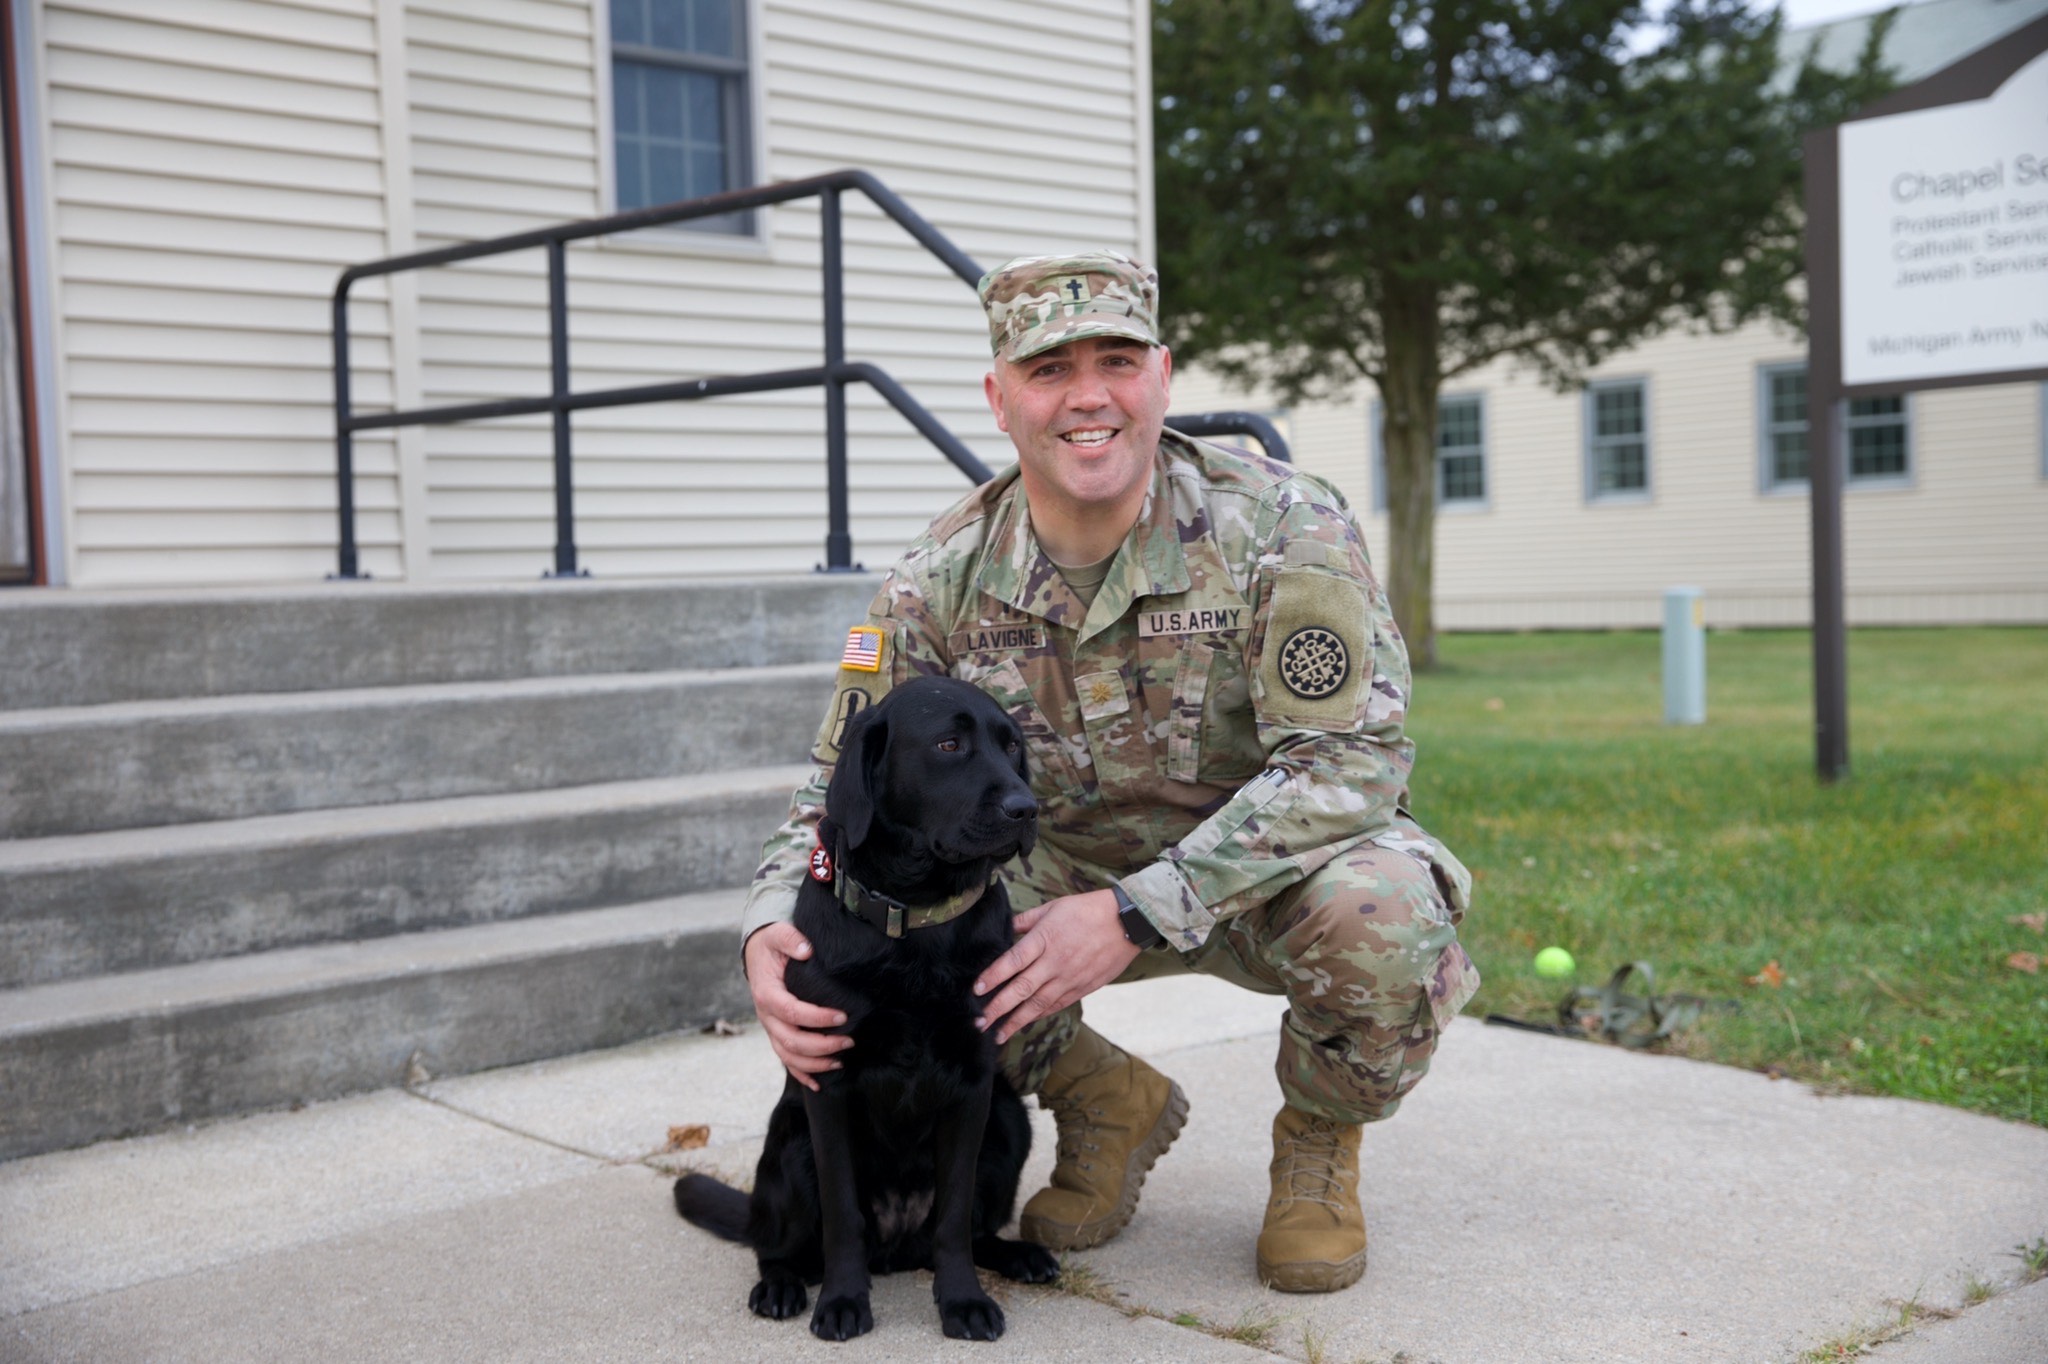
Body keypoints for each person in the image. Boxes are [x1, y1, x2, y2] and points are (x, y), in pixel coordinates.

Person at [738, 250, 1479, 1293]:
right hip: (1050, 872)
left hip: (1260, 875)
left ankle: (1319, 1139)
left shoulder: (1277, 522)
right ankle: (1100, 1095)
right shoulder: (939, 580)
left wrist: (1136, 909)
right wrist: (771, 919)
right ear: (999, 400)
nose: (1087, 395)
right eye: (1047, 370)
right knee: (892, 921)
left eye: (1116, 360)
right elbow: (837, 786)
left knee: (1383, 908)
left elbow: (1350, 759)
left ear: (1161, 376)